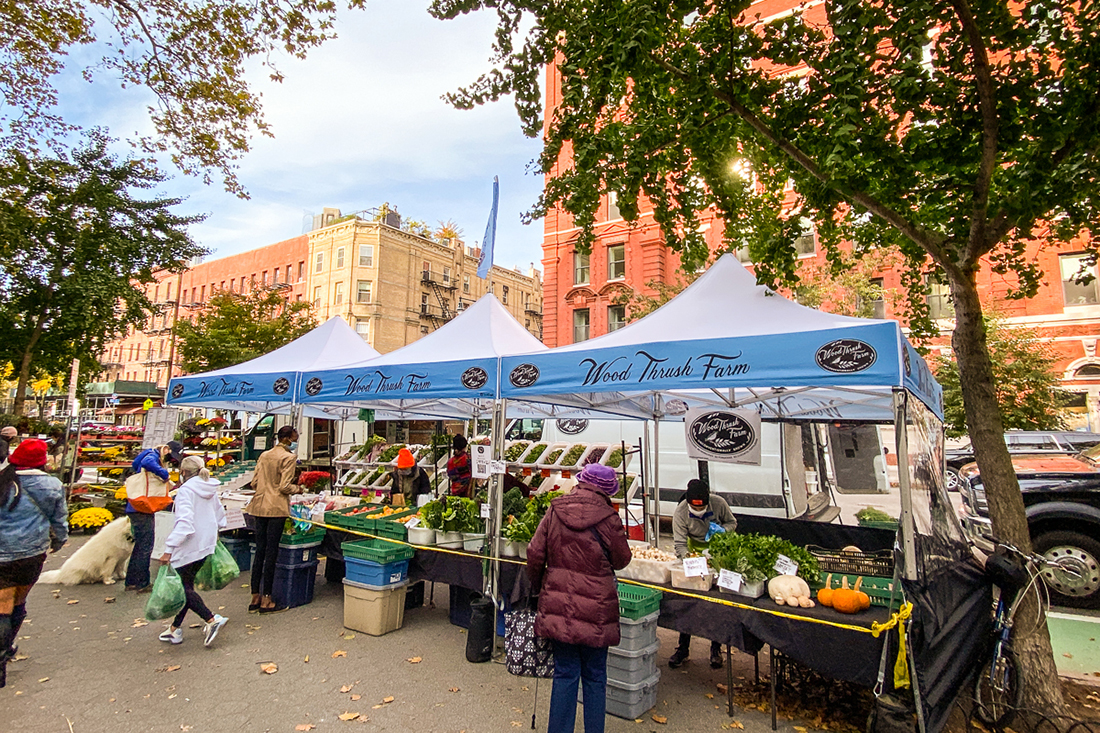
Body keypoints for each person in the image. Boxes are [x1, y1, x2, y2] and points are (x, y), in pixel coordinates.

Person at [527, 463, 631, 733]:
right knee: (595, 677)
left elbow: (534, 552)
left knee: (565, 673)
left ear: (582, 481)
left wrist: (540, 589)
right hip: (597, 610)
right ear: (608, 491)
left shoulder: (555, 508)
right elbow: (622, 560)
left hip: (559, 606)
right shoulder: (610, 519)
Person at [0, 439, 68, 687]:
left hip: (3, 553)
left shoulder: (4, 480)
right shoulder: (52, 484)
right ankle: (6, 647)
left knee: (2, 606)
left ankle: (1, 658)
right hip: (32, 554)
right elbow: (59, 518)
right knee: (18, 602)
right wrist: (60, 541)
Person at [157, 456, 228, 647]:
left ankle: (211, 619)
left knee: (183, 588)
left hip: (189, 545)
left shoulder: (186, 491)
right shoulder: (209, 488)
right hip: (206, 542)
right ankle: (174, 629)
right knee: (186, 586)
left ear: (183, 472)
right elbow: (220, 514)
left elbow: (185, 523)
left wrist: (169, 549)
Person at [670, 478, 737, 669]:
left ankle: (716, 649)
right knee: (689, 602)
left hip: (718, 551)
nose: (698, 510)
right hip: (694, 553)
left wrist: (722, 531)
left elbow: (733, 522)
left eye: (702, 507)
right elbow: (680, 544)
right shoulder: (681, 512)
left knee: (715, 602)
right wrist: (690, 560)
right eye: (694, 507)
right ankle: (683, 648)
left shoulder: (719, 504)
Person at [245, 425, 303, 614]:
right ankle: (267, 599)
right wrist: (299, 489)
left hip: (259, 505)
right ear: (287, 438)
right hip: (276, 507)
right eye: (294, 436)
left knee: (260, 551)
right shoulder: (288, 457)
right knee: (271, 552)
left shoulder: (264, 455)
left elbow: (254, 482)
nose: (296, 440)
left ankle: (255, 595)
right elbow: (285, 486)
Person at [125, 441, 183, 592]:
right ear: (166, 449)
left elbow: (137, 463)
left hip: (136, 507)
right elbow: (147, 462)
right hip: (143, 508)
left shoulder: (146, 454)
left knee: (139, 546)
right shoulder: (152, 455)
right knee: (145, 546)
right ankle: (142, 583)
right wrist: (164, 474)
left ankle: (131, 581)